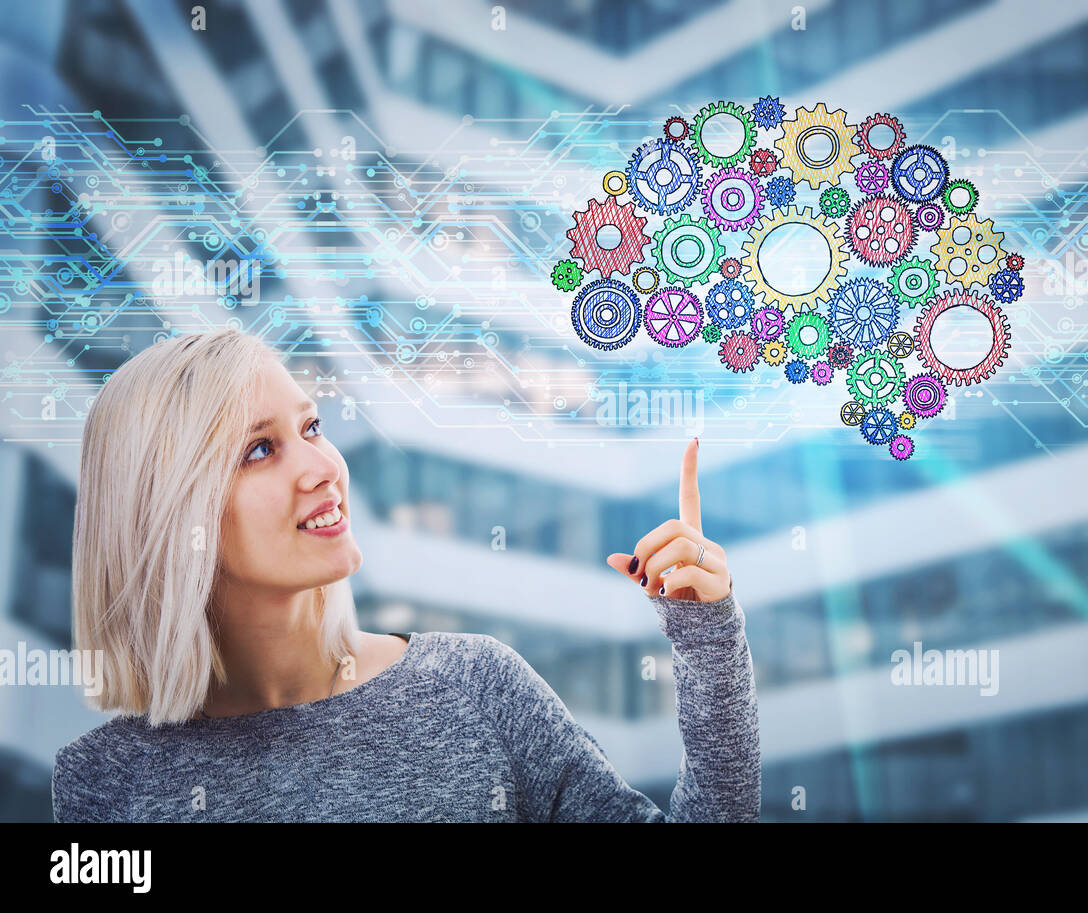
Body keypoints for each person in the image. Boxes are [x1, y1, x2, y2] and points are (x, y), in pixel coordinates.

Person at [51, 328, 761, 821]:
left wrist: (709, 639)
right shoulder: (102, 781)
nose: (323, 468)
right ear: (171, 514)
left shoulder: (477, 684)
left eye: (311, 427)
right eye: (259, 450)